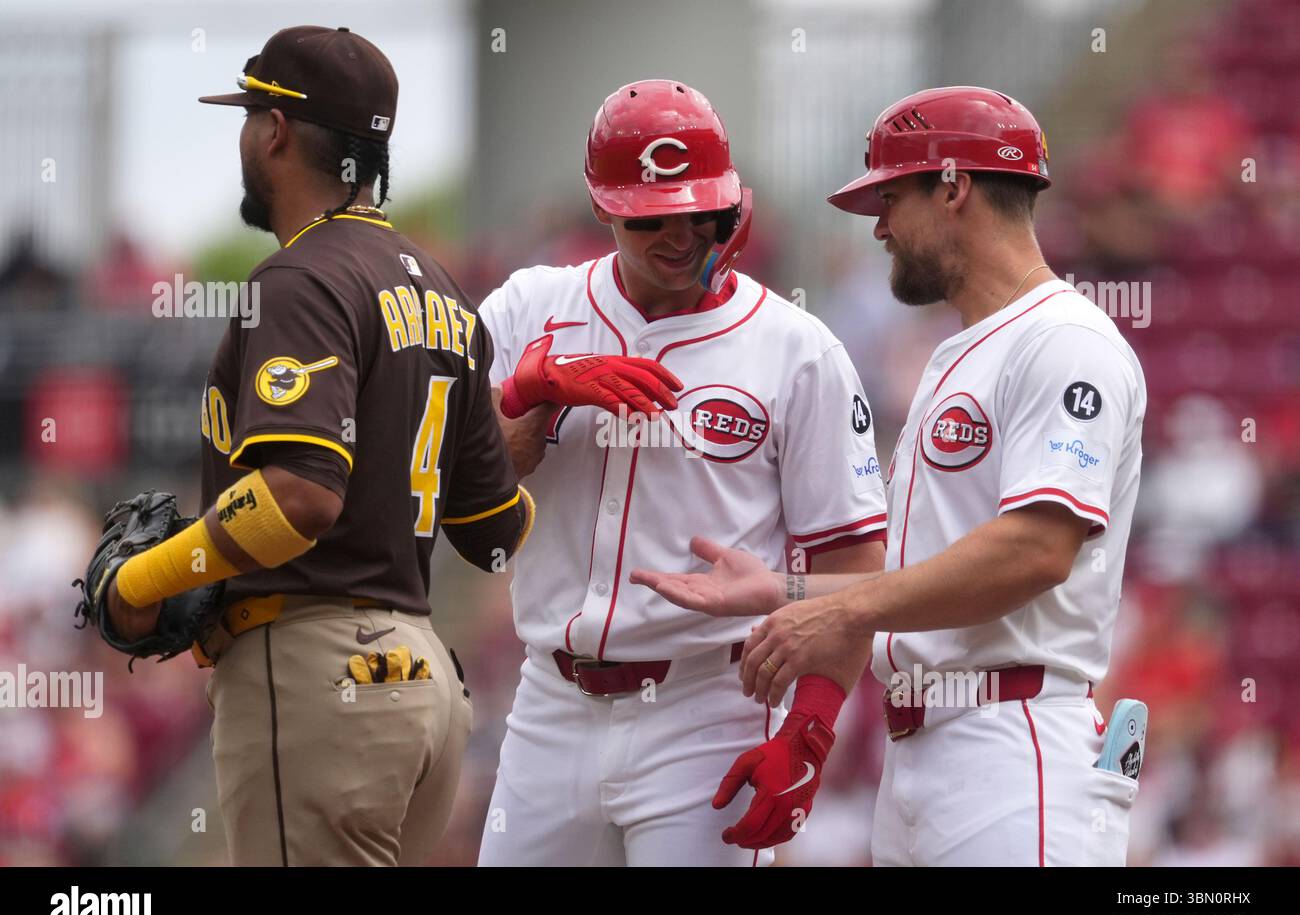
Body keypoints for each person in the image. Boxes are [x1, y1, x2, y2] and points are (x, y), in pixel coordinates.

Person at [634, 87, 1148, 866]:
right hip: (925, 753)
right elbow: (925, 582)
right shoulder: (958, 351)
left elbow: (1036, 552)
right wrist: (786, 592)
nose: (876, 225)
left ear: (953, 187)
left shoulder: (1066, 341)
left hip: (1015, 746)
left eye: (889, 196)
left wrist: (837, 616)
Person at [102, 26, 532, 865]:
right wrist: (536, 421)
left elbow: (301, 494)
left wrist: (140, 584)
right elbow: (494, 533)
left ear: (275, 131)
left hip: (318, 672)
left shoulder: (300, 278)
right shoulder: (443, 290)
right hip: (423, 684)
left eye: (248, 116)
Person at [476, 79, 888, 866]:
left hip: (709, 702)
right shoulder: (529, 307)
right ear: (604, 207)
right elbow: (450, 493)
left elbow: (852, 569)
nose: (679, 234)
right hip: (548, 702)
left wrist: (810, 730)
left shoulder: (798, 348)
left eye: (699, 212)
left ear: (732, 203)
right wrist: (527, 400)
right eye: (650, 218)